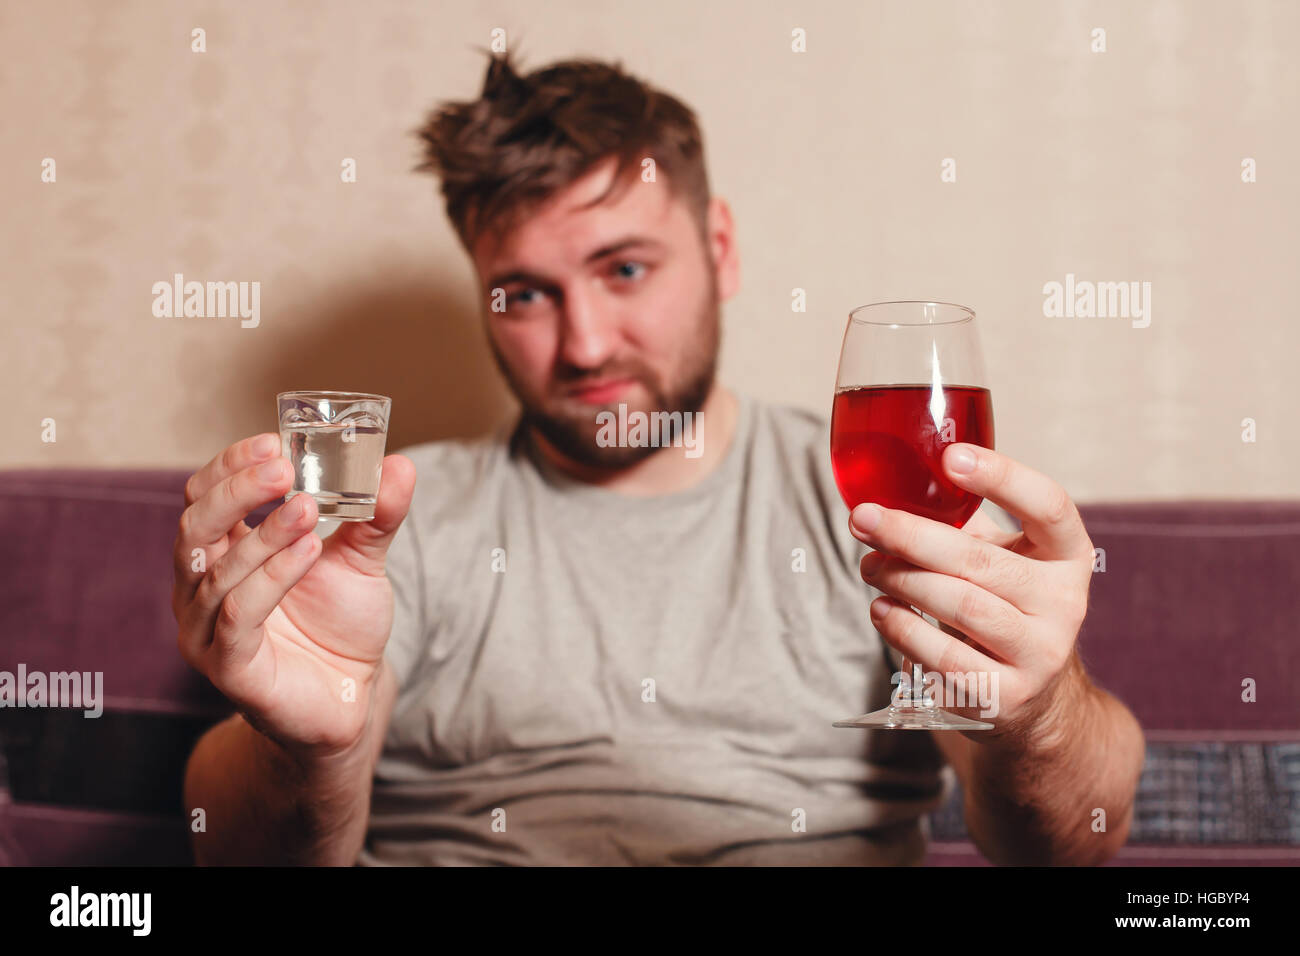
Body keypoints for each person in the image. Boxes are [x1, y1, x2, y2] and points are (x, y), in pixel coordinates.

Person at [174, 51, 1144, 866]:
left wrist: (1036, 711)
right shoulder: (388, 519)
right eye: (524, 293)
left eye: (624, 268)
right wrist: (307, 745)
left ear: (718, 248)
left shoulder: (880, 495)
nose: (586, 342)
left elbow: (1071, 840)